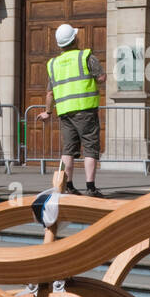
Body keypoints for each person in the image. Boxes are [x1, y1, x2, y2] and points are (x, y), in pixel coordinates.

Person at [38, 23, 106, 197]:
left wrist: (48, 112)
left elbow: (49, 93)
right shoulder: (85, 56)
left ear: (60, 44)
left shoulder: (53, 64)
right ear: (75, 39)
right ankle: (90, 187)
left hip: (65, 113)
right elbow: (101, 77)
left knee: (68, 150)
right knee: (90, 148)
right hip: (85, 111)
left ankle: (67, 185)